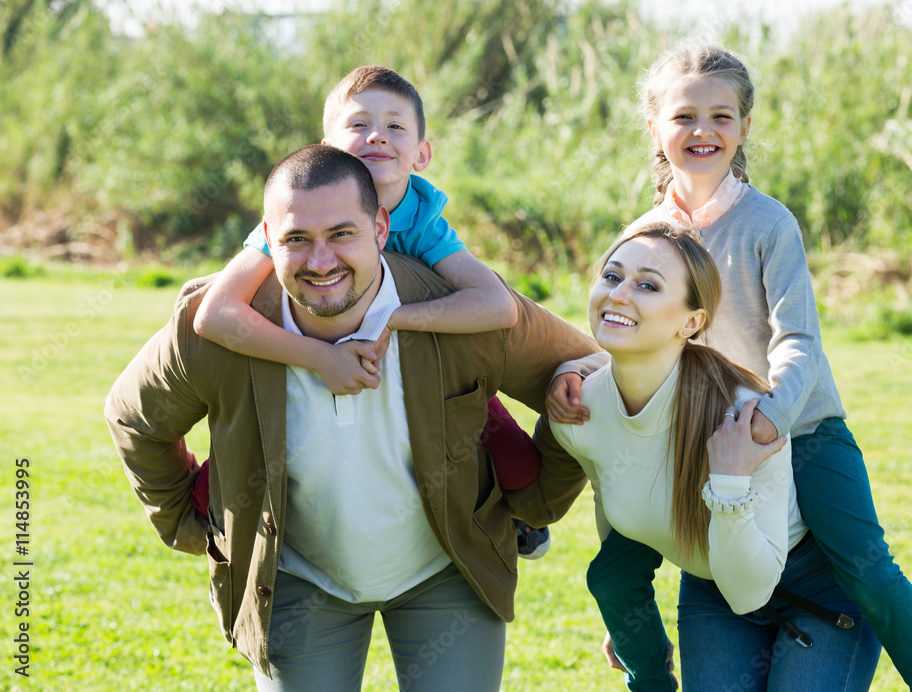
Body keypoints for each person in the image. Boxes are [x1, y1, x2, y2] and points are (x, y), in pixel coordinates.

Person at [105, 144, 598, 691]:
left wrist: (551, 459)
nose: (321, 262)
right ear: (267, 238)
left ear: (381, 228)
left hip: (449, 572)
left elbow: (586, 369)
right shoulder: (216, 329)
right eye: (297, 239)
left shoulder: (461, 310)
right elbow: (134, 418)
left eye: (342, 233)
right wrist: (193, 525)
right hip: (297, 581)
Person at [547, 44, 912, 690]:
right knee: (625, 561)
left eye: (722, 116)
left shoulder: (769, 224)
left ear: (743, 129)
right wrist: (574, 375)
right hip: (694, 430)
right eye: (684, 116)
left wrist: (770, 416)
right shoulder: (642, 235)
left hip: (798, 426)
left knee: (868, 570)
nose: (703, 131)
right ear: (654, 126)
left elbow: (798, 339)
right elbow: (627, 338)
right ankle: (641, 651)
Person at [190, 65, 551, 558]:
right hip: (305, 363)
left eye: (396, 126)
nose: (377, 135)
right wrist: (316, 356)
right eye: (358, 124)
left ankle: (507, 523)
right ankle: (228, 542)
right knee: (211, 489)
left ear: (422, 154)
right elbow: (214, 313)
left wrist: (396, 318)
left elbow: (497, 305)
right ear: (326, 147)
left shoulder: (421, 218)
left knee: (521, 467)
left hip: (423, 372)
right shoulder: (299, 211)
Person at [542, 222, 882, 690]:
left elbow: (750, 588)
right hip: (714, 593)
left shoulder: (744, 417)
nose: (619, 295)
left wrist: (729, 480)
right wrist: (626, 621)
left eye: (647, 285)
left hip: (817, 594)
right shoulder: (577, 415)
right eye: (612, 277)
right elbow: (619, 509)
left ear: (692, 322)